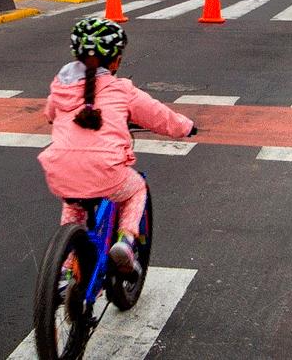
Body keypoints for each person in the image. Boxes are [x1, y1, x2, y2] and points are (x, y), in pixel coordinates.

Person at [37, 18, 196, 274]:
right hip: (108, 170)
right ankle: (125, 241)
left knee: (74, 207)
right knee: (136, 190)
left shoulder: (60, 87)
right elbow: (159, 116)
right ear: (115, 61)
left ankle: (65, 271)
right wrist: (186, 127)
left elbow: (50, 114)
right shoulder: (121, 90)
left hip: (60, 170)